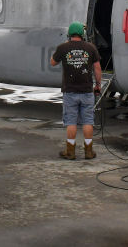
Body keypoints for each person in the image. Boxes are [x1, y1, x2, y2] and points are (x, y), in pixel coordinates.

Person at [50, 22, 102, 160]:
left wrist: (66, 49)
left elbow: (52, 62)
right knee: (88, 122)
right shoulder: (90, 48)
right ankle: (89, 151)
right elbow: (97, 68)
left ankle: (70, 152)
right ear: (82, 34)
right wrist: (98, 85)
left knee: (71, 122)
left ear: (69, 34)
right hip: (86, 91)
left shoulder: (63, 48)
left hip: (70, 91)